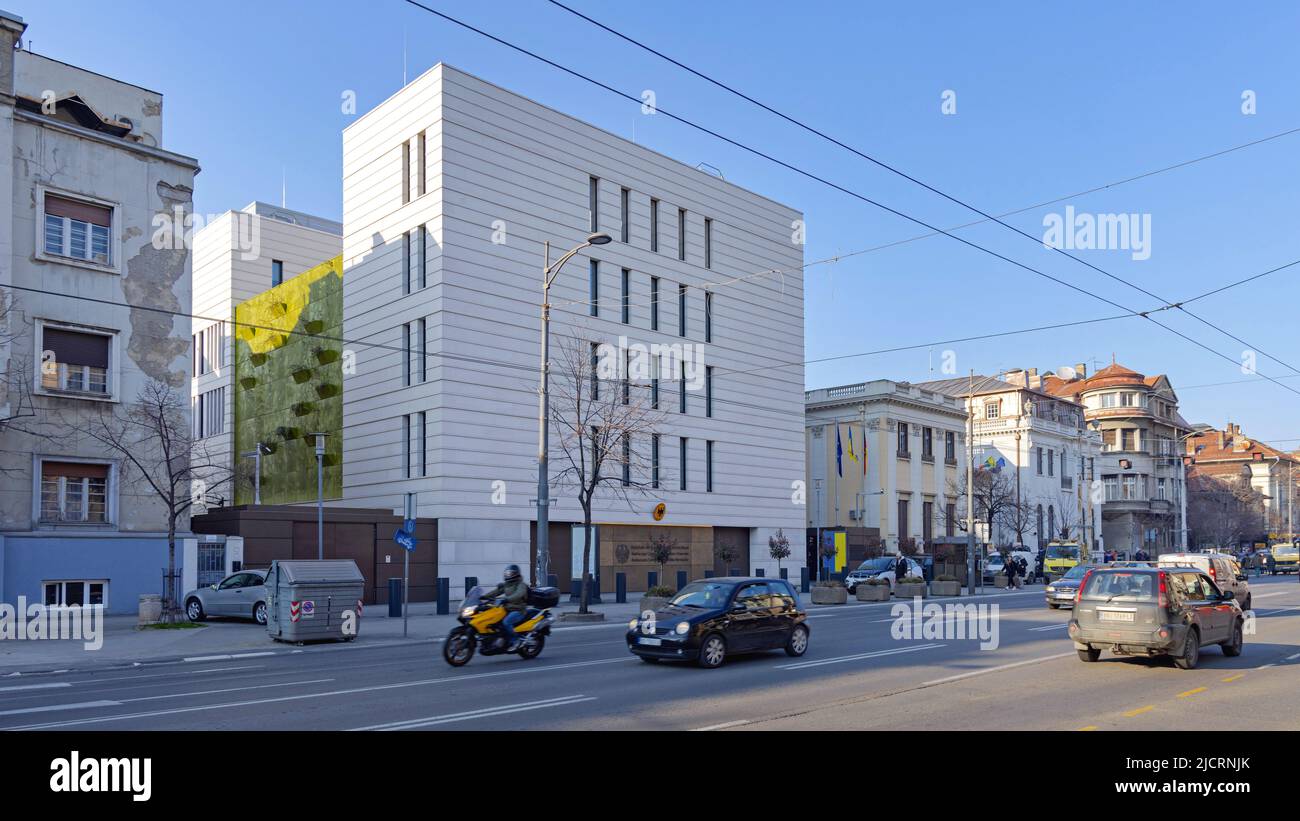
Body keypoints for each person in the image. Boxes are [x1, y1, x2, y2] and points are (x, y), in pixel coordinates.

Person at [487, 564, 530, 650]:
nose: (508, 575)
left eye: (510, 573)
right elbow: (496, 592)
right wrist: (484, 596)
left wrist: (506, 599)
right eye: (507, 573)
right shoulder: (507, 584)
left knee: (507, 622)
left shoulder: (521, 585)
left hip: (518, 610)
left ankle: (515, 640)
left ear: (516, 574)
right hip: (507, 609)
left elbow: (518, 594)